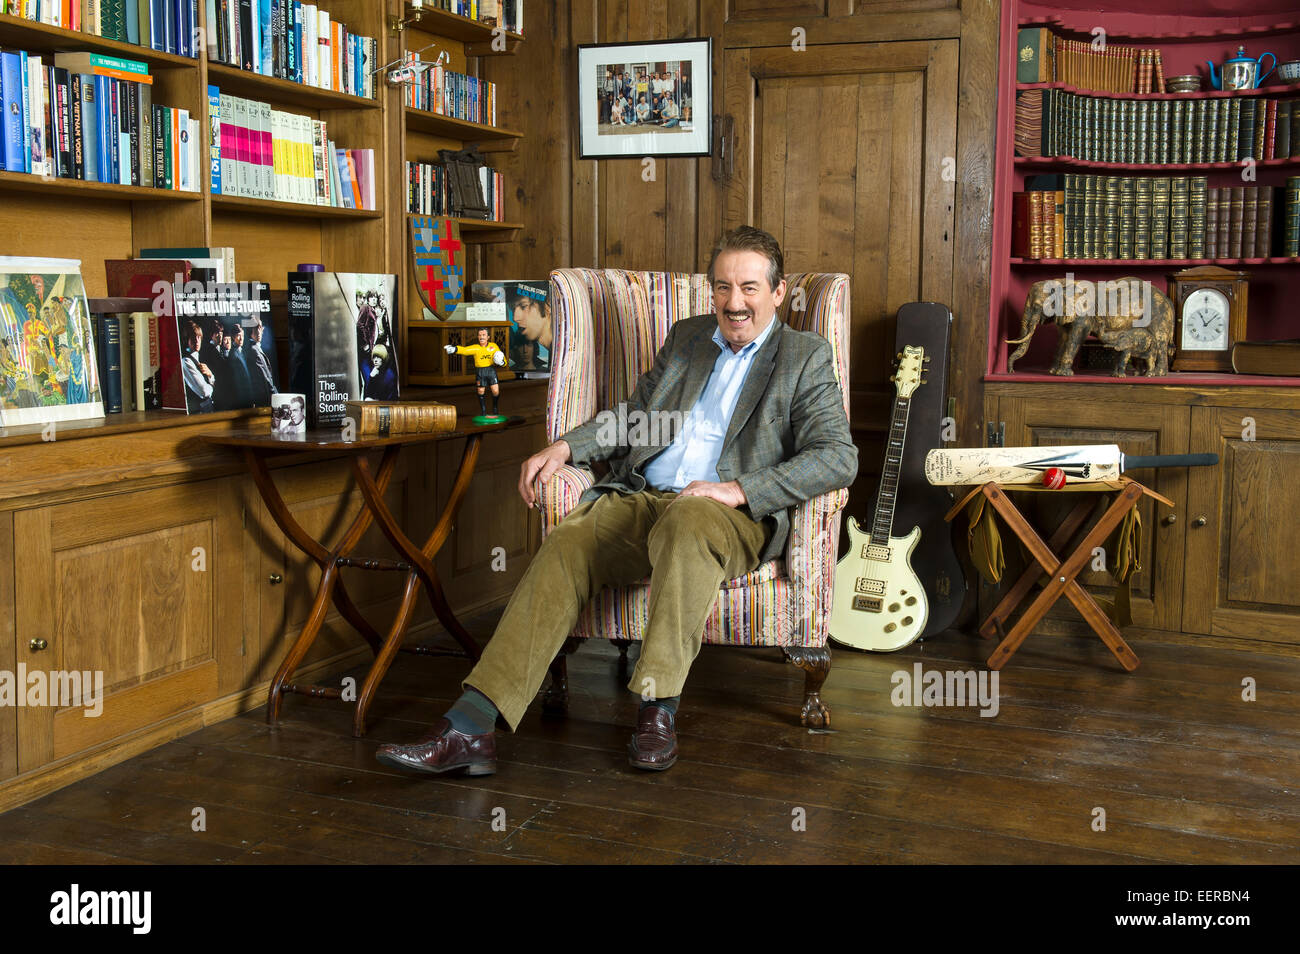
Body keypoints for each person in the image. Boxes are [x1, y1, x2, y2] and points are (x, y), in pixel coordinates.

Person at [376, 225, 857, 777]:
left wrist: (737, 489)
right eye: (722, 287)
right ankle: (470, 726)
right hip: (646, 496)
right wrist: (566, 445)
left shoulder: (803, 357)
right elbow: (636, 417)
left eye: (749, 288)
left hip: (730, 515)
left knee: (693, 520)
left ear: (777, 293)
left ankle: (657, 707)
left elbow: (838, 456)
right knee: (572, 538)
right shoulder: (688, 338)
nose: (734, 302)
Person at [444, 327, 505, 420]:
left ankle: (495, 408)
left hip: (491, 370)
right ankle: (483, 411)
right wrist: (454, 349)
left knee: (496, 391)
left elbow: (501, 356)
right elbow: (464, 350)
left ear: (488, 337)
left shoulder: (493, 346)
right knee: (481, 391)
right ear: (477, 336)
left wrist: (502, 362)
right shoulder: (475, 348)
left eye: (484, 335)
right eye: (480, 335)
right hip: (480, 371)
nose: (481, 337)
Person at [181, 320, 216, 413]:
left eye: (199, 337)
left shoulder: (197, 359)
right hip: (198, 412)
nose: (197, 340)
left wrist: (210, 374)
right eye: (193, 337)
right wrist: (212, 384)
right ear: (187, 340)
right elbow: (204, 392)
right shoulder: (186, 361)